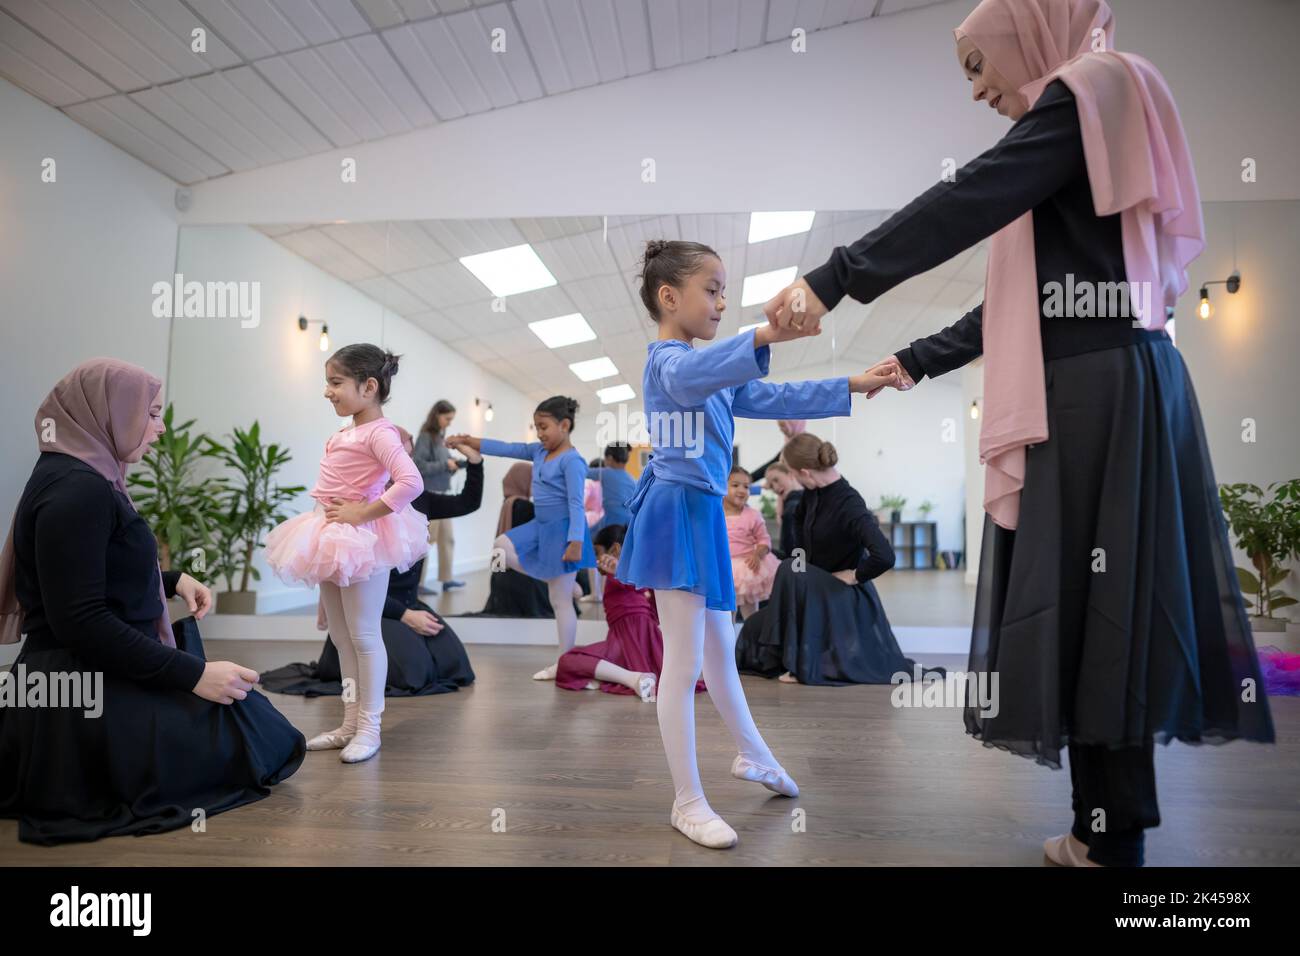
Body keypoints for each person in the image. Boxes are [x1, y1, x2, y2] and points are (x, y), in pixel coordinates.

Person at [762, 0, 1275, 866]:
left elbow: (967, 199)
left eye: (975, 64)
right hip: (1097, 383)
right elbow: (1025, 304)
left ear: (1029, 36)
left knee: (1104, 613)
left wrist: (834, 278)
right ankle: (1095, 828)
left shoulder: (1090, 90)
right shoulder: (1094, 106)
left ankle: (1114, 842)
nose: (974, 90)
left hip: (1094, 393)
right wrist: (915, 361)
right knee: (1086, 612)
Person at [615, 238, 901, 848]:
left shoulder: (710, 369)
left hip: (698, 516)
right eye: (712, 291)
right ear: (670, 297)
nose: (722, 303)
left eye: (725, 292)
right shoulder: (668, 363)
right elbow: (697, 372)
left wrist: (853, 382)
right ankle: (686, 800)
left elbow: (776, 396)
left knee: (719, 646)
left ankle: (752, 754)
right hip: (676, 515)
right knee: (683, 665)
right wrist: (766, 337)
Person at [0, 358, 304, 844]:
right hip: (82, 692)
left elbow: (90, 577)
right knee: (260, 737)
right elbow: (81, 620)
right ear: (110, 412)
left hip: (86, 673)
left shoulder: (79, 473)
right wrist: (195, 674)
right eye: (152, 413)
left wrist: (173, 579)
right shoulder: (78, 491)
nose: (161, 429)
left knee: (254, 721)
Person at [263, 344, 429, 764]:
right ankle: (350, 722)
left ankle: (370, 727)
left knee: (364, 635)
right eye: (328, 382)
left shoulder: (380, 432)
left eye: (336, 383)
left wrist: (361, 512)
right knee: (340, 638)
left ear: (368, 386)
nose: (328, 392)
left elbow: (410, 482)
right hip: (329, 535)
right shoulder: (345, 432)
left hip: (362, 540)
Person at [259, 427, 483, 698]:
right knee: (415, 673)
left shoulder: (416, 499)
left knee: (455, 666)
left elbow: (467, 503)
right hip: (371, 610)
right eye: (399, 454)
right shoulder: (352, 505)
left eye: (407, 457)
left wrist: (475, 461)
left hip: (407, 603)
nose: (404, 462)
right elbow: (343, 570)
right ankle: (357, 712)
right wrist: (405, 616)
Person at [736, 432, 936, 687]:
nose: (795, 480)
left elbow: (885, 556)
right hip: (814, 587)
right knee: (753, 629)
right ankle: (793, 657)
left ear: (806, 472)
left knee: (790, 569)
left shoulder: (849, 503)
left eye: (795, 475)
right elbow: (798, 529)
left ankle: (800, 664)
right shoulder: (813, 493)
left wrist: (853, 575)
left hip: (843, 593)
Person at [449, 396, 597, 681]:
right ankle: (555, 580)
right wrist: (468, 439)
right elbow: (506, 448)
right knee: (501, 547)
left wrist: (576, 542)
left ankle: (565, 662)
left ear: (564, 425)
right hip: (539, 525)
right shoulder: (539, 452)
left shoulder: (573, 461)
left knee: (560, 602)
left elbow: (577, 504)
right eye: (536, 427)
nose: (539, 433)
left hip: (563, 529)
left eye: (544, 427)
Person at [555, 524, 706, 702]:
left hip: (631, 633)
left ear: (615, 549)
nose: (596, 561)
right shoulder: (634, 570)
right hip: (635, 635)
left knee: (567, 661)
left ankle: (633, 678)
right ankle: (633, 677)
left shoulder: (625, 570)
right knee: (573, 660)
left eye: (597, 553)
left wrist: (619, 571)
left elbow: (635, 585)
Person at [412, 399, 466, 592]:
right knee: (426, 541)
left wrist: (453, 466)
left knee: (447, 539)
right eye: (447, 418)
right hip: (430, 497)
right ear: (437, 415)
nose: (449, 423)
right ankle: (417, 583)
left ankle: (447, 578)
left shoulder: (440, 439)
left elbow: (440, 464)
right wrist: (445, 465)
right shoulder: (426, 436)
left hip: (443, 495)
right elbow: (418, 465)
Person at [724, 465, 779, 619]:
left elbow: (764, 539)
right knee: (727, 615)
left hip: (748, 567)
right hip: (725, 568)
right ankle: (728, 643)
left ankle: (752, 640)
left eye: (746, 487)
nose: (742, 490)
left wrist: (757, 554)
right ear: (722, 486)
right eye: (735, 485)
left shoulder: (753, 515)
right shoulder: (716, 514)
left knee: (752, 614)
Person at [762, 462, 803, 559]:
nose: (775, 488)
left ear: (790, 474)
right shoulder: (809, 499)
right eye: (771, 486)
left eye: (776, 480)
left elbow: (792, 556)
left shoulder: (792, 508)